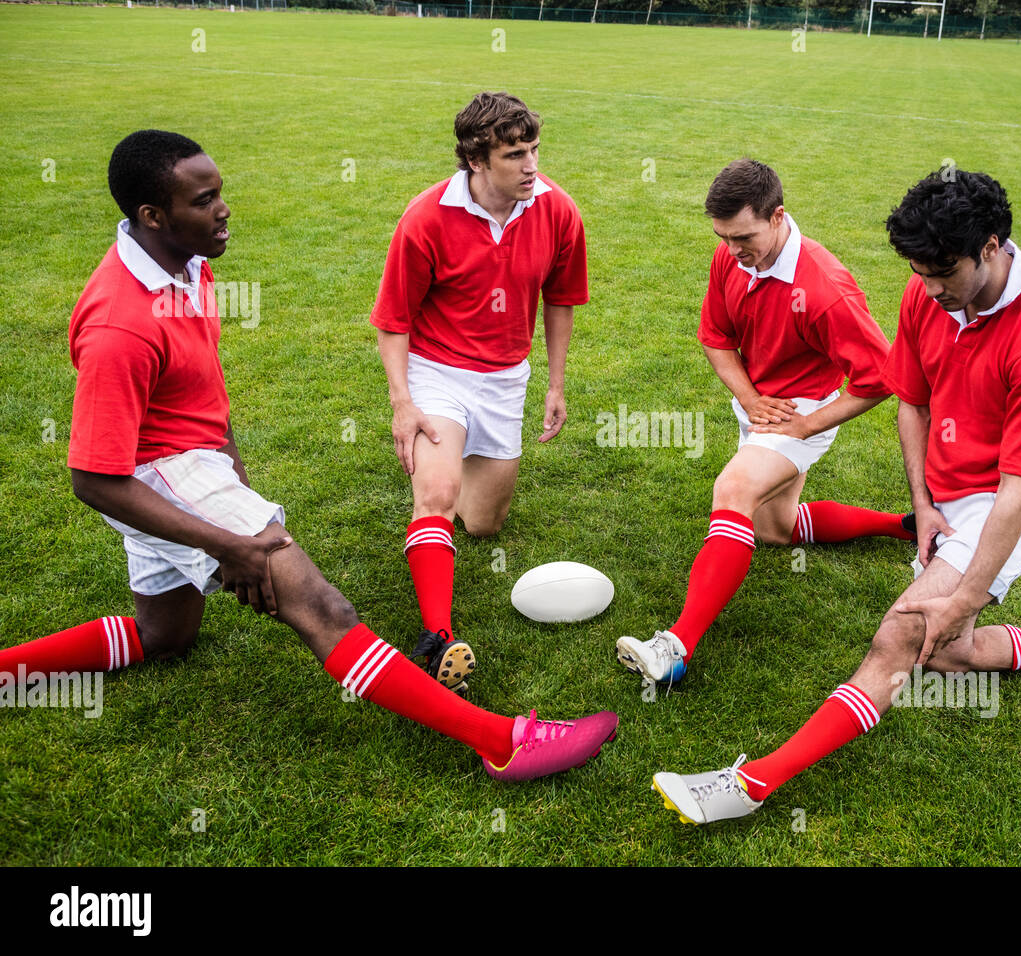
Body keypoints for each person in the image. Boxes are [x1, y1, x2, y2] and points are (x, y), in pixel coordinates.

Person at [0, 130, 615, 783]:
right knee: (323, 609)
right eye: (205, 200)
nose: (224, 210)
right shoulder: (121, 324)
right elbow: (95, 478)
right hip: (165, 477)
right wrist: (230, 542)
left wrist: (233, 476)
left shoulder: (186, 264)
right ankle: (501, 741)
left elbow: (202, 391)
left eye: (220, 194)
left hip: (193, 465)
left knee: (163, 636)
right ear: (154, 216)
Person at [651, 169, 1021, 824]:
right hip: (948, 494)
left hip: (1006, 507)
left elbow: (1020, 492)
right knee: (952, 653)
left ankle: (750, 786)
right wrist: (925, 503)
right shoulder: (927, 290)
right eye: (919, 272)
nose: (928, 289)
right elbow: (910, 397)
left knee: (900, 639)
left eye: (943, 273)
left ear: (990, 248)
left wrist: (960, 597)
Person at [616, 158, 913, 687]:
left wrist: (806, 424)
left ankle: (675, 648)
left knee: (732, 489)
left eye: (744, 236)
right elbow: (716, 339)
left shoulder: (827, 290)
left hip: (800, 413)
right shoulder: (730, 258)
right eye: (723, 237)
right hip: (761, 406)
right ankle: (904, 526)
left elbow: (881, 377)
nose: (733, 250)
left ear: (778, 217)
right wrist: (752, 401)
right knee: (774, 529)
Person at [371, 92, 588, 688]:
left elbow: (561, 298)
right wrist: (403, 403)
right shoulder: (426, 217)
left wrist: (555, 382)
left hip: (504, 380)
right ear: (476, 159)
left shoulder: (558, 210)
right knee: (437, 495)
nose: (530, 166)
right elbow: (392, 320)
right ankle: (436, 637)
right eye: (514, 155)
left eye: (534, 150)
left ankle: (446, 469)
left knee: (484, 525)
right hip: (436, 370)